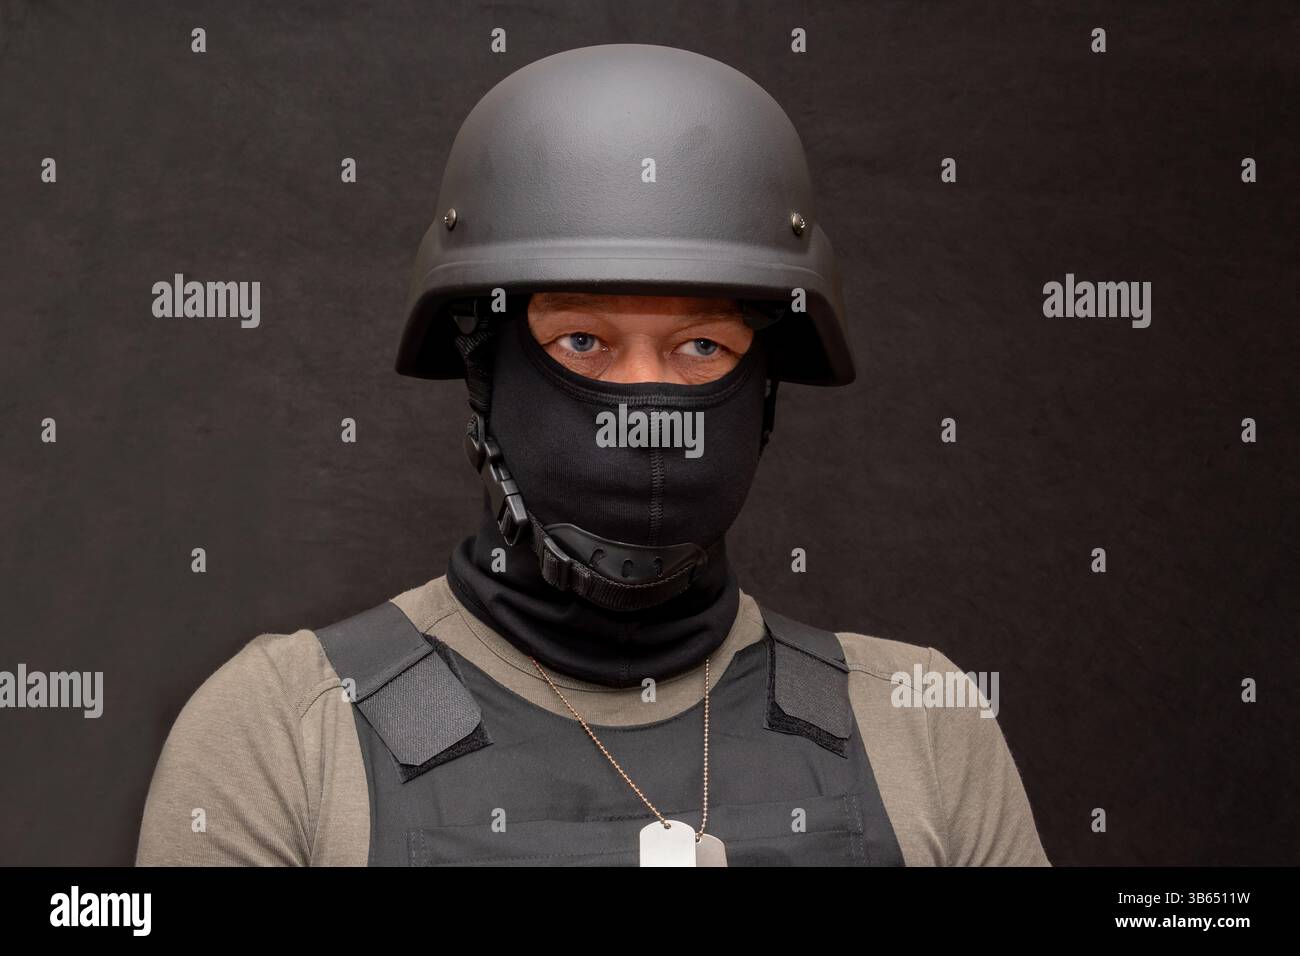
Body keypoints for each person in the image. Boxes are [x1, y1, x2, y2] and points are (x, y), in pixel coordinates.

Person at [136, 43, 1049, 867]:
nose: (647, 414)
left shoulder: (918, 721)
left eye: (703, 348)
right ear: (485, 379)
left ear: (763, 391)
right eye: (581, 341)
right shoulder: (288, 730)